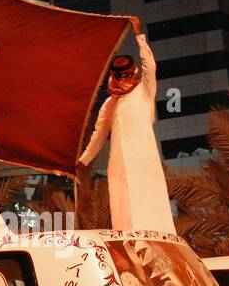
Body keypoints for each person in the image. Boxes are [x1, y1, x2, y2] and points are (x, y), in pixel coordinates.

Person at [76, 20, 177, 234]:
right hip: (120, 165)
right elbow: (98, 135)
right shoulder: (110, 104)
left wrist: (139, 33)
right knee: (125, 213)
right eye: (120, 76)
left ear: (134, 72)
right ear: (113, 77)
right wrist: (83, 161)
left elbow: (151, 66)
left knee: (151, 209)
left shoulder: (144, 91)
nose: (124, 80)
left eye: (128, 75)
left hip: (145, 161)